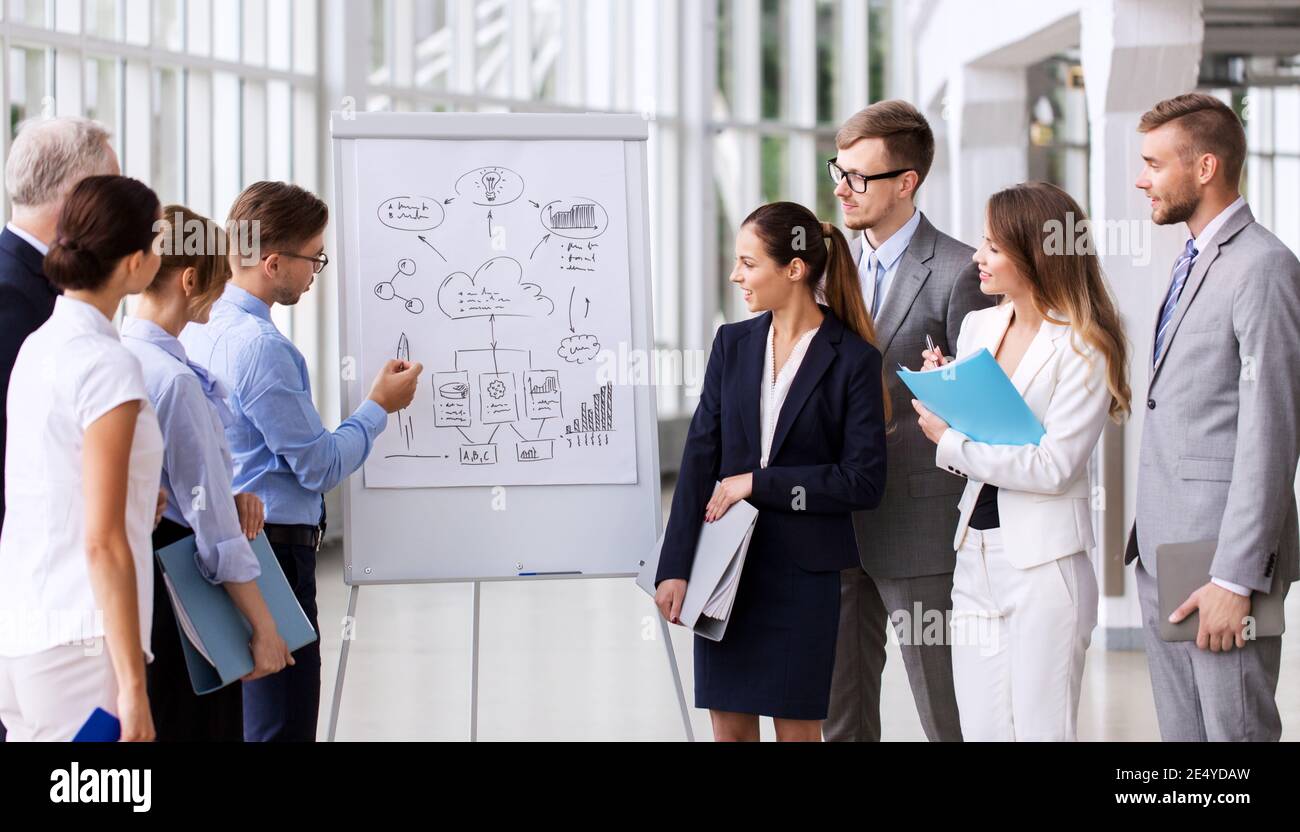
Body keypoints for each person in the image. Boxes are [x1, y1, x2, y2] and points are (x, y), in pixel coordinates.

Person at [181, 181, 422, 741]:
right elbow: (316, 466)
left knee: (241, 723)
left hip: (218, 547)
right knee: (280, 723)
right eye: (313, 257)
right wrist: (377, 407)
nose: (315, 271)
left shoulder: (199, 328)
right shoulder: (261, 347)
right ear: (273, 263)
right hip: (272, 559)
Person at [653, 201, 888, 742]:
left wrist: (759, 483)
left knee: (797, 731)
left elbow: (862, 481)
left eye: (748, 262)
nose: (736, 275)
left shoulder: (853, 360)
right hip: (721, 570)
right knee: (729, 730)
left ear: (795, 269)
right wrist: (675, 566)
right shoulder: (732, 345)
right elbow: (698, 459)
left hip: (803, 578)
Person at [913, 181, 1130, 741]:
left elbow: (1054, 467)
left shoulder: (1085, 344)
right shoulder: (978, 326)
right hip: (975, 555)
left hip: (1044, 564)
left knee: (1042, 732)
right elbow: (981, 438)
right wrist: (948, 392)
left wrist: (949, 440)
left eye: (993, 246)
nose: (978, 257)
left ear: (1035, 253)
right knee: (983, 732)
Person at [1128, 92, 1300, 741]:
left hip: (1221, 563)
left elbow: (1272, 433)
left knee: (1235, 742)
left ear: (1204, 168)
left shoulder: (1265, 268)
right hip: (1162, 554)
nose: (1141, 178)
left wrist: (1234, 576)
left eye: (1153, 163)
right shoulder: (1193, 259)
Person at [824, 99, 993, 743]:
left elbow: (976, 413)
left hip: (920, 526)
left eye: (859, 177)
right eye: (839, 171)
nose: (843, 188)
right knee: (841, 715)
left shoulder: (960, 272)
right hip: (836, 524)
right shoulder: (825, 268)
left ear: (906, 183)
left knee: (942, 710)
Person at [0, 176, 165, 741]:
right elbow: (103, 539)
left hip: (24, 636)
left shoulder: (37, 347)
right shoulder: (105, 364)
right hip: (83, 645)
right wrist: (133, 689)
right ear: (135, 260)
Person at [122, 204, 294, 741]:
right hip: (182, 597)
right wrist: (264, 627)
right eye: (219, 281)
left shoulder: (123, 355)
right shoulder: (174, 382)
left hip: (140, 584)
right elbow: (212, 524)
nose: (222, 296)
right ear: (190, 279)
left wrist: (226, 488)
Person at [0, 118, 119, 742]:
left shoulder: (41, 287)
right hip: (42, 595)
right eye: (112, 190)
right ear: (77, 196)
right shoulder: (13, 300)